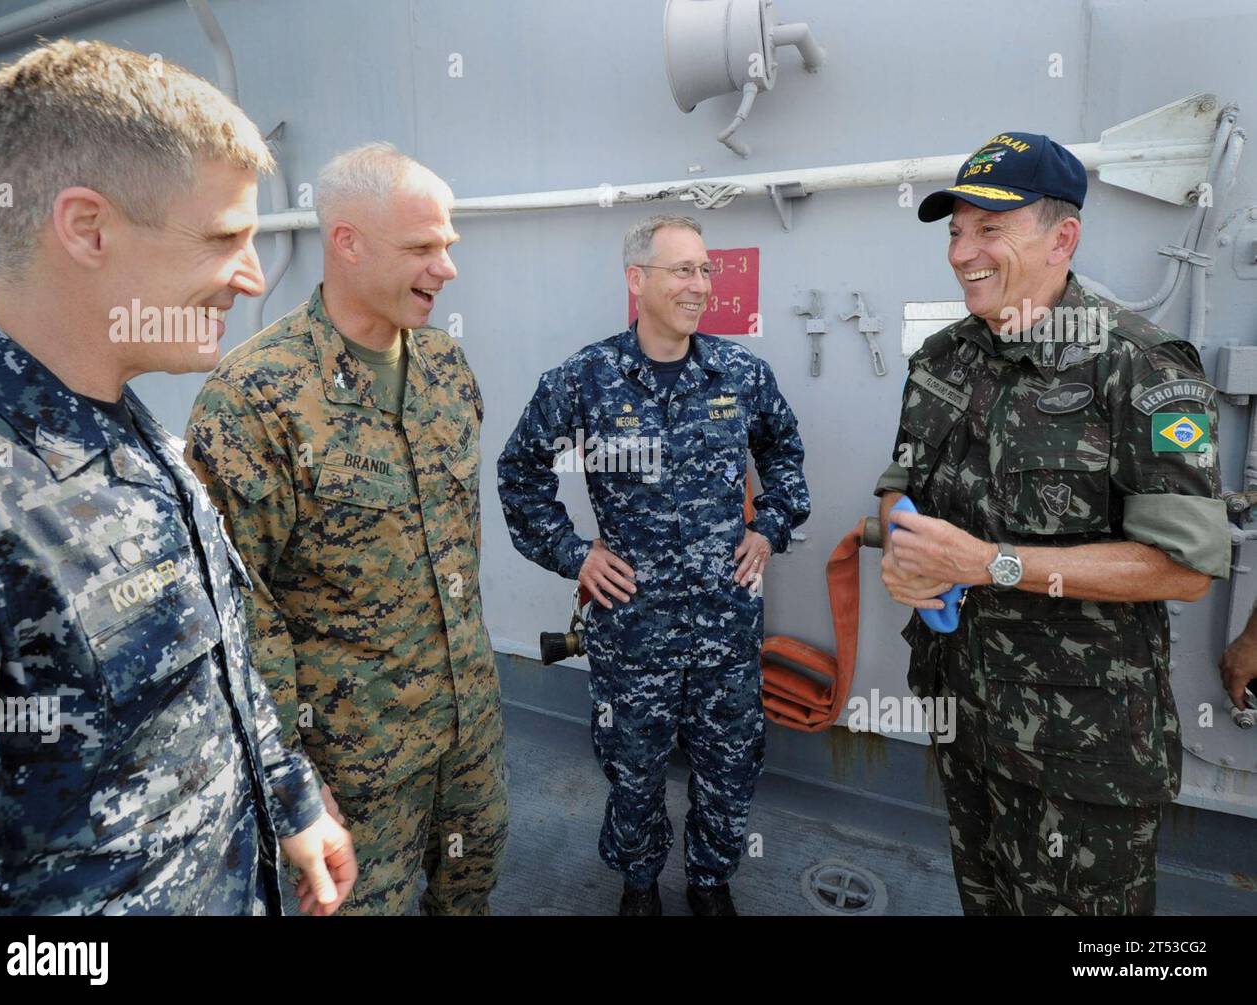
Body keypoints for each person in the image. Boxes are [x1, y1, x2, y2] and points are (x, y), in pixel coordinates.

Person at [0, 39, 354, 915]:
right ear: (88, 228)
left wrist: (288, 802)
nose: (253, 277)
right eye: (224, 238)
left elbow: (211, 653)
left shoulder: (126, 420)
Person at [875, 130, 1231, 915]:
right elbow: (898, 487)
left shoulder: (1141, 364)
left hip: (1082, 755)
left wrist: (990, 562)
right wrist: (902, 546)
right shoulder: (941, 359)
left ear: (1061, 237)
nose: (961, 251)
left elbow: (1186, 566)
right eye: (956, 230)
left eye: (989, 228)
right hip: (960, 715)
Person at [185, 143, 506, 915]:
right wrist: (290, 772)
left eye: (448, 246)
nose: (446, 268)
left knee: (471, 891)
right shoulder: (255, 397)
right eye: (422, 248)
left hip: (470, 733)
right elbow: (237, 603)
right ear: (348, 242)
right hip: (354, 763)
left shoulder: (446, 367)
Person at [497, 215, 810, 916]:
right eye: (683, 270)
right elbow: (520, 472)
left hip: (726, 621)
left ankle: (710, 881)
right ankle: (639, 885)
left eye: (706, 270)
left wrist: (770, 528)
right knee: (633, 768)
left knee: (729, 762)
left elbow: (785, 453)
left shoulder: (740, 373)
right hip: (632, 626)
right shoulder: (586, 379)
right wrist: (574, 553)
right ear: (637, 279)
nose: (700, 285)